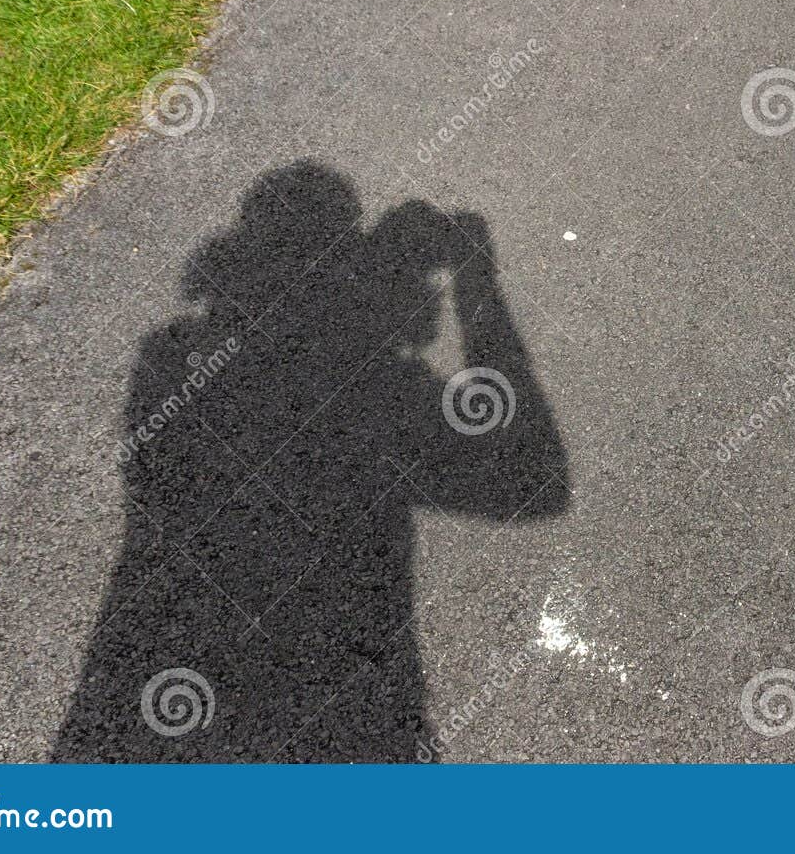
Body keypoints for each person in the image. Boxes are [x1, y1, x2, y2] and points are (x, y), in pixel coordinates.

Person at [54, 161, 567, 761]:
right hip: (338, 728)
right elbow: (534, 480)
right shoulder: (378, 387)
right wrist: (475, 279)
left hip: (131, 720)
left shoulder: (171, 355)